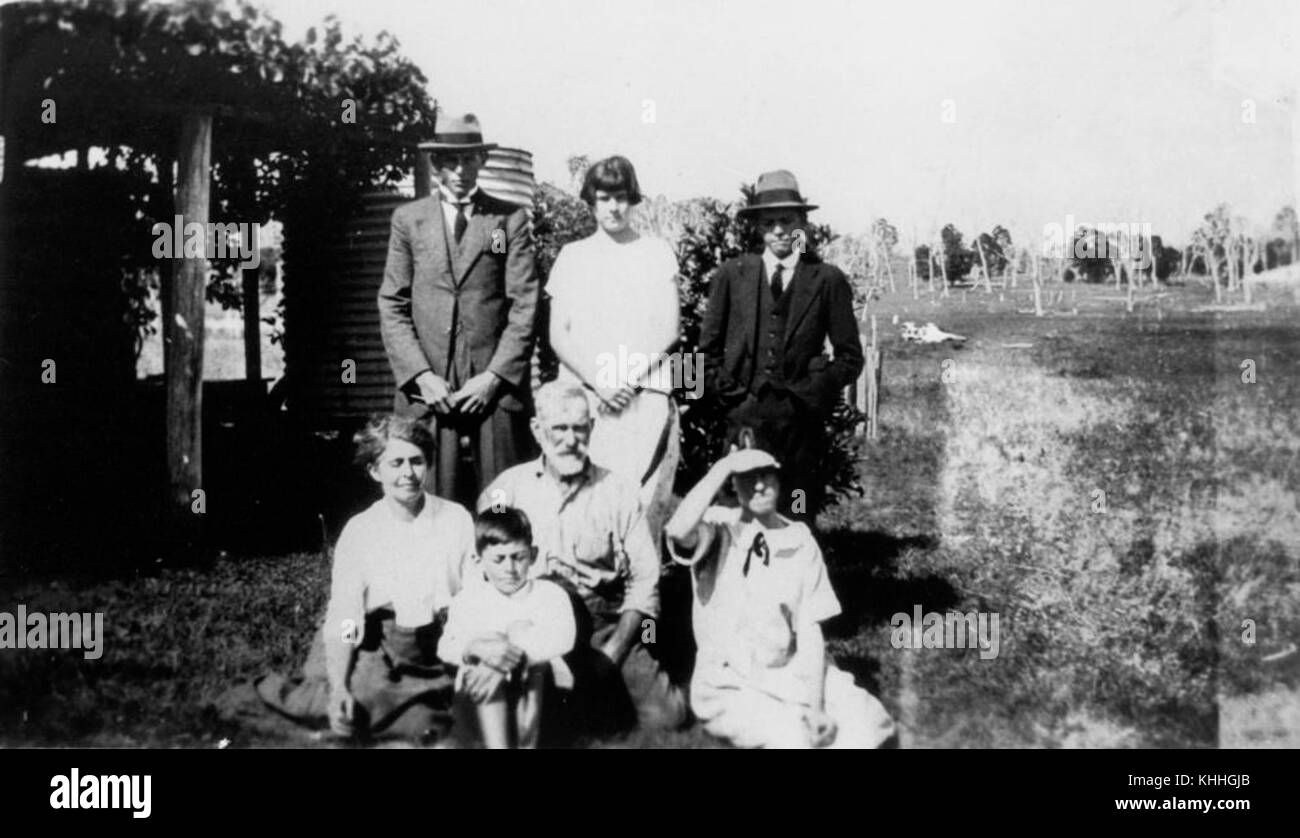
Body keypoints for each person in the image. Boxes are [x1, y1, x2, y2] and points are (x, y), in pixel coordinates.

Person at [477, 381, 688, 733]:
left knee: (666, 717)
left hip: (601, 621)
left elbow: (645, 579)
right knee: (530, 723)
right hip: (530, 621)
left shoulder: (619, 490)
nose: (570, 440)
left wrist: (614, 652)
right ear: (537, 430)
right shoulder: (506, 490)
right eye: (559, 428)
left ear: (591, 428)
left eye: (579, 428)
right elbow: (482, 568)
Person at [256, 415, 477, 743]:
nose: (408, 474)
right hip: (374, 641)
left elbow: (473, 596)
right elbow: (346, 615)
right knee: (350, 706)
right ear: (375, 471)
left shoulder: (455, 518)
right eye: (395, 463)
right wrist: (340, 684)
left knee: (436, 721)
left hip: (438, 643)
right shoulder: (361, 530)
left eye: (417, 462)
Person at [664, 442, 896, 749]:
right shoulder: (719, 526)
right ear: (732, 482)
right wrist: (724, 466)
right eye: (747, 476)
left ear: (779, 479)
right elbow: (678, 531)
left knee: (868, 722)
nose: (759, 486)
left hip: (789, 669)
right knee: (791, 738)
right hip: (729, 681)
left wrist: (816, 708)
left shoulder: (799, 539)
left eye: (766, 475)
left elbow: (810, 627)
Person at [378, 113, 539, 509]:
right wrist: (420, 376)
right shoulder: (409, 220)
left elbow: (524, 303)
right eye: (450, 161)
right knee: (427, 500)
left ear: (481, 161)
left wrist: (494, 377)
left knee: (505, 505)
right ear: (435, 165)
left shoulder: (505, 220)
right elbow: (392, 303)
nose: (461, 170)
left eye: (469, 159)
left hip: (492, 384)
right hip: (431, 385)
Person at [699, 170, 864, 523]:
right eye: (769, 221)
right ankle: (740, 575)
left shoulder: (826, 279)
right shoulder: (731, 275)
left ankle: (800, 571)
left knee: (799, 509)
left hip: (800, 429)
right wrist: (728, 397)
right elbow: (702, 354)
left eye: (786, 220)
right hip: (743, 419)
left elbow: (850, 357)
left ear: (802, 224)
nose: (778, 230)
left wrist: (813, 394)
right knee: (739, 512)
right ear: (757, 226)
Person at [547, 156, 682, 535]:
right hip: (588, 397)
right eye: (605, 198)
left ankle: (642, 590)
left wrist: (626, 381)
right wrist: (602, 383)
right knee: (588, 500)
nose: (614, 207)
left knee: (641, 505)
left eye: (621, 197)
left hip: (644, 395)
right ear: (592, 200)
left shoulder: (657, 253)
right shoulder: (572, 257)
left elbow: (670, 328)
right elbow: (560, 333)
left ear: (632, 199)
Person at [438, 508, 576, 749]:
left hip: (543, 693)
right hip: (479, 696)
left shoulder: (550, 594)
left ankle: (527, 745)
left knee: (520, 630)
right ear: (478, 560)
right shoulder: (468, 599)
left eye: (518, 557)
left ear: (533, 555)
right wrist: (477, 648)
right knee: (488, 640)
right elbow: (445, 646)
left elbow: (564, 638)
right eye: (498, 559)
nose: (510, 569)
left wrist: (504, 660)